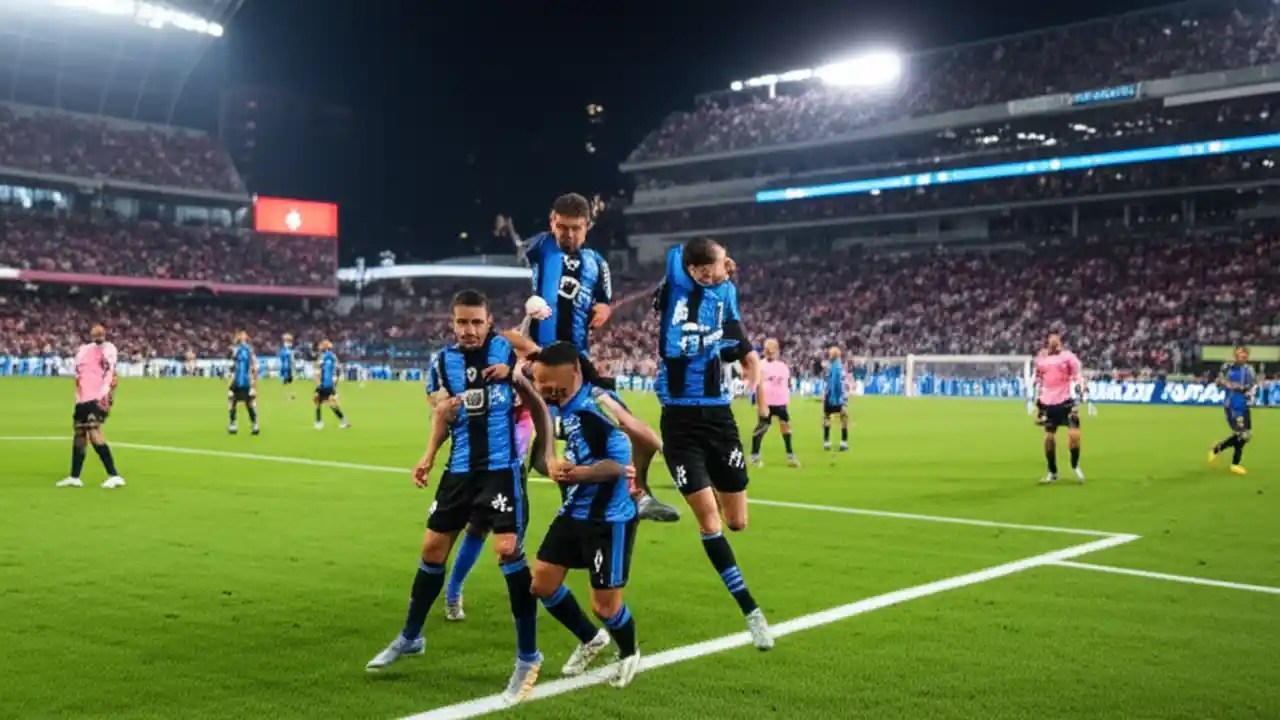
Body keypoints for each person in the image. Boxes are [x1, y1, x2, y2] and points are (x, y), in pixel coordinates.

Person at [365, 290, 548, 706]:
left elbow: (545, 368)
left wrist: (517, 373)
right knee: (432, 549)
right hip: (459, 470)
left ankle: (528, 656)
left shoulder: (506, 346)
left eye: (476, 322)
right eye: (462, 322)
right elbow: (442, 413)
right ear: (453, 324)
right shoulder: (442, 362)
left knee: (507, 551)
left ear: (489, 321)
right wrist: (428, 456)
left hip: (501, 470)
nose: (469, 330)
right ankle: (411, 636)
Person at [523, 192, 679, 523]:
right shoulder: (542, 248)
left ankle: (640, 494)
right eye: (562, 227)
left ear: (588, 227)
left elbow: (604, 302)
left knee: (638, 433)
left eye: (576, 228)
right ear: (552, 223)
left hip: (579, 368)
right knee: (536, 450)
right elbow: (520, 245)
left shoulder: (597, 264)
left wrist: (603, 309)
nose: (568, 235)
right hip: (541, 367)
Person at [652, 236, 774, 650]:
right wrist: (712, 261)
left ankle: (708, 488)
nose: (712, 275)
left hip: (720, 419)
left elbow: (744, 346)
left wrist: (751, 374)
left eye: (716, 268)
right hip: (680, 419)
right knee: (710, 522)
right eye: (704, 270)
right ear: (693, 269)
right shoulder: (678, 283)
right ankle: (752, 612)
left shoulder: (727, 293)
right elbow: (679, 252)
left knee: (737, 522)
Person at [527, 342, 641, 688]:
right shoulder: (554, 407)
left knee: (605, 606)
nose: (546, 390)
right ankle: (591, 639)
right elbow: (539, 459)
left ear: (574, 370)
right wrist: (552, 466)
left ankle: (629, 652)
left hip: (609, 518)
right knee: (542, 583)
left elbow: (619, 466)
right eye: (541, 383)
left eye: (552, 383)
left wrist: (580, 473)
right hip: (573, 511)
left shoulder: (599, 405)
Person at [58, 324, 125, 489]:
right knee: (79, 433)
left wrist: (107, 392)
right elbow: (78, 376)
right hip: (83, 398)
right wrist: (78, 397)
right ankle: (74, 477)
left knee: (94, 430)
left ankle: (114, 475)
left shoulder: (108, 349)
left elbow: (110, 370)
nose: (99, 336)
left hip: (99, 396)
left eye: (101, 333)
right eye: (96, 334)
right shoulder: (83, 351)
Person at [1032, 331, 1093, 484]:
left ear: (1059, 344)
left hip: (1066, 401)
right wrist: (1038, 406)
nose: (1053, 345)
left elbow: (1077, 376)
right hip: (1048, 403)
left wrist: (1081, 396)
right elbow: (1038, 381)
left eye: (1056, 342)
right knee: (1049, 437)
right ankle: (1052, 472)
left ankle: (1075, 464)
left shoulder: (1068, 357)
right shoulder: (1042, 360)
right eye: (1051, 342)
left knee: (1074, 435)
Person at [750, 338, 799, 468]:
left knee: (764, 428)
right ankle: (789, 456)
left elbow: (757, 385)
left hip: (772, 401)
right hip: (774, 401)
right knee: (778, 428)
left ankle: (755, 456)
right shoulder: (779, 366)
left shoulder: (770, 366)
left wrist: (757, 402)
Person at [1209, 345, 1256, 475]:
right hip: (1232, 406)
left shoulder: (1249, 370)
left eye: (1245, 354)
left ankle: (1217, 448)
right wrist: (1221, 382)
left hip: (1244, 405)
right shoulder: (1227, 368)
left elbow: (1251, 385)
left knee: (1247, 435)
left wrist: (1235, 386)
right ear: (1235, 354)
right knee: (1241, 435)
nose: (1243, 356)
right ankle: (1235, 464)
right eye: (1240, 353)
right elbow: (1218, 383)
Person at [227, 330, 259, 436]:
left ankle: (253, 424)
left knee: (248, 402)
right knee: (233, 399)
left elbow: (254, 367)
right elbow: (232, 367)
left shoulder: (246, 350)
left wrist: (253, 384)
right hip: (238, 380)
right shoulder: (238, 350)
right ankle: (235, 423)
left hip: (244, 380)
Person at [313, 339, 349, 429]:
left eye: (321, 347)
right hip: (330, 384)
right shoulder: (333, 357)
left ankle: (319, 423)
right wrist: (335, 383)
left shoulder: (322, 357)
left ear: (324, 348)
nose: (320, 348)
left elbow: (318, 371)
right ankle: (344, 421)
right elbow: (338, 369)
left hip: (323, 383)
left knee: (318, 400)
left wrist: (318, 383)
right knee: (327, 402)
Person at [822, 347, 850, 451]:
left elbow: (829, 382)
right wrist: (835, 397)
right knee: (844, 417)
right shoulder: (837, 367)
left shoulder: (831, 366)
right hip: (836, 397)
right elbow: (835, 382)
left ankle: (826, 442)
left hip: (829, 395)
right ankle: (843, 443)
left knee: (827, 417)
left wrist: (826, 393)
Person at [278, 334, 296, 401]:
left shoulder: (283, 350)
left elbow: (282, 359)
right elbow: (290, 361)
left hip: (285, 367)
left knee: (286, 382)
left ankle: (288, 395)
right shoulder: (287, 351)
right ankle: (289, 395)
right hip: (287, 368)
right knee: (288, 382)